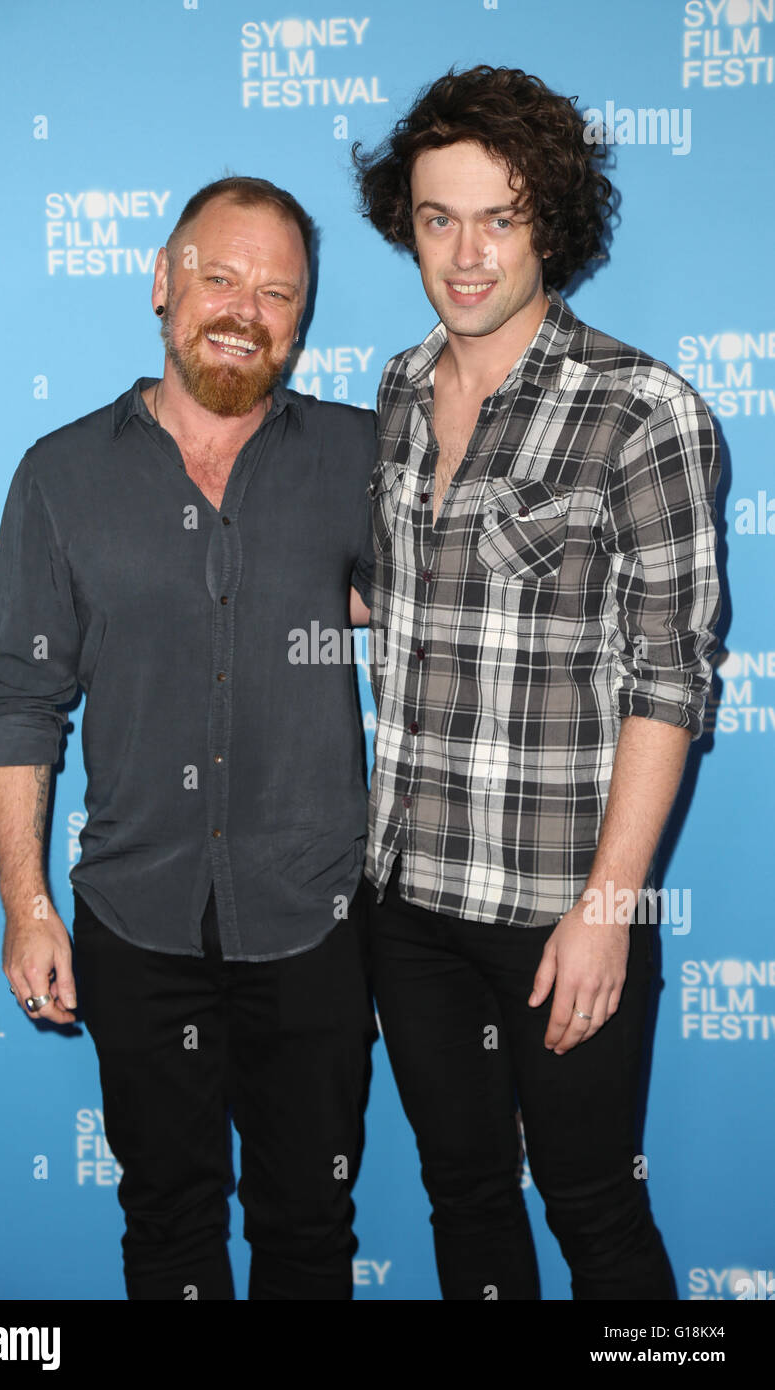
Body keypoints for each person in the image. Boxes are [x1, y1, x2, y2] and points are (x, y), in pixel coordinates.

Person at [0, 176, 377, 1301]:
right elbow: (17, 701)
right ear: (162, 280)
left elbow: (458, 606)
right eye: (219, 274)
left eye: (276, 291)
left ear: (300, 319)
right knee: (168, 1231)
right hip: (134, 923)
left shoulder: (361, 457)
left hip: (313, 919)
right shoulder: (61, 475)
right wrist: (26, 903)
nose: (244, 307)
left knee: (309, 1231)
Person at [354, 66, 721, 1300]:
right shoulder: (398, 393)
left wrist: (607, 908)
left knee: (593, 1210)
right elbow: (400, 596)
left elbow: (668, 678)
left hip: (557, 901)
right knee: (462, 1197)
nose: (464, 254)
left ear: (549, 225)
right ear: (404, 223)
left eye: (497, 218)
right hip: (406, 898)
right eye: (436, 218)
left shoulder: (641, 409)